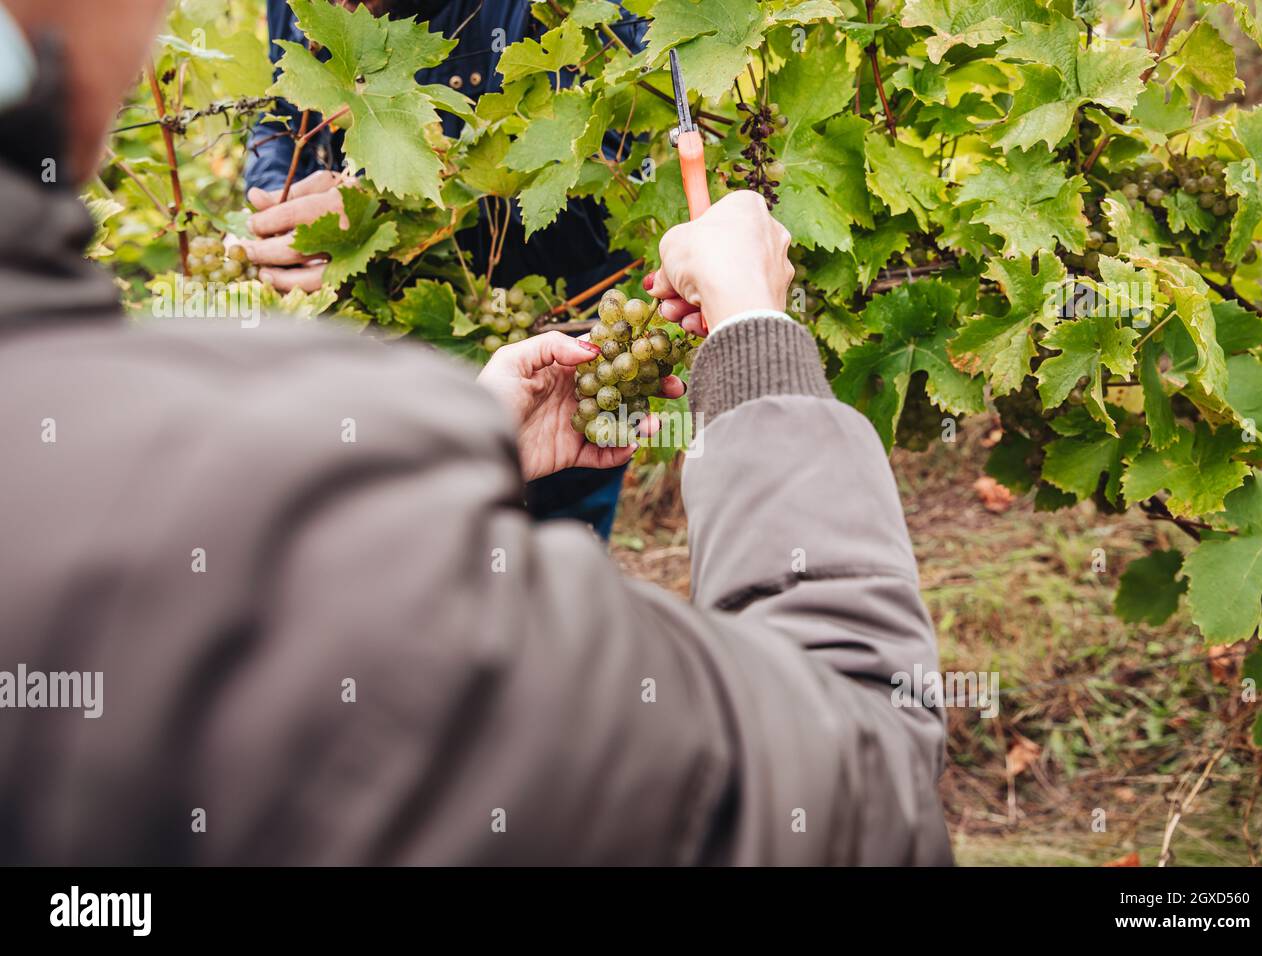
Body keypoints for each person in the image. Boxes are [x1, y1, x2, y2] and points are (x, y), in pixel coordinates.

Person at [0, 0, 952, 865]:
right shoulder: (271, 525)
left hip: (545, 370)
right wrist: (750, 335)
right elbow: (866, 790)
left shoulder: (131, 460)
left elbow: (609, 179)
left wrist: (465, 433)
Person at [245, 0, 646, 539]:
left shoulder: (579, 11)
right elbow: (283, 110)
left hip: (555, 375)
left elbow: (598, 215)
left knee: (548, 582)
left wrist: (385, 217)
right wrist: (278, 197)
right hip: (383, 372)